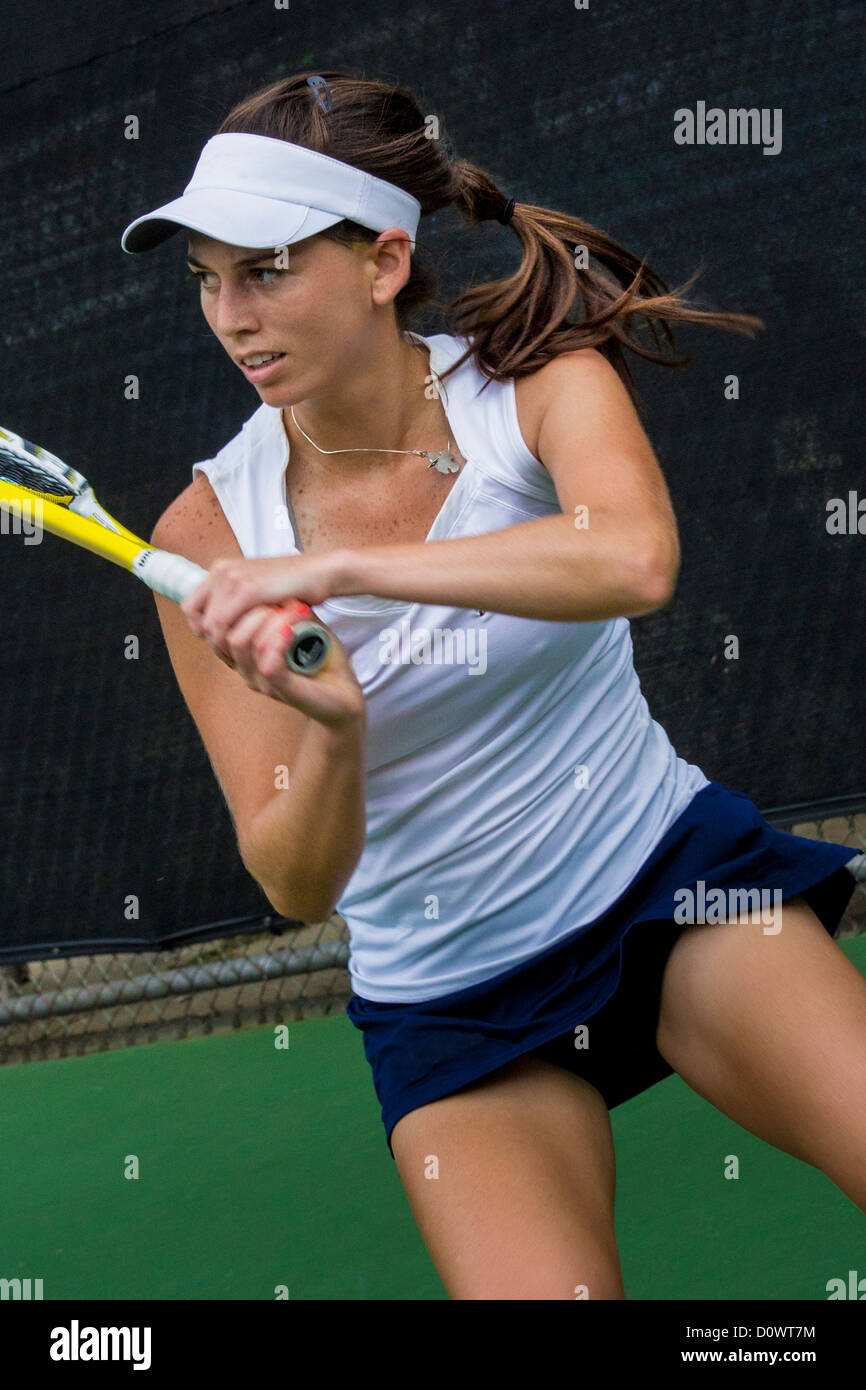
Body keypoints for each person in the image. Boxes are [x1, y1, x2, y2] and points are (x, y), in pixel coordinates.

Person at [122, 70, 866, 1300]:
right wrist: (334, 731)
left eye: (266, 268)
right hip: (450, 1007)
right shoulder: (201, 542)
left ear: (382, 260)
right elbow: (294, 881)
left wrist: (348, 564)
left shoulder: (534, 383)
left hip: (667, 890)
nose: (231, 314)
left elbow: (631, 556)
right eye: (207, 277)